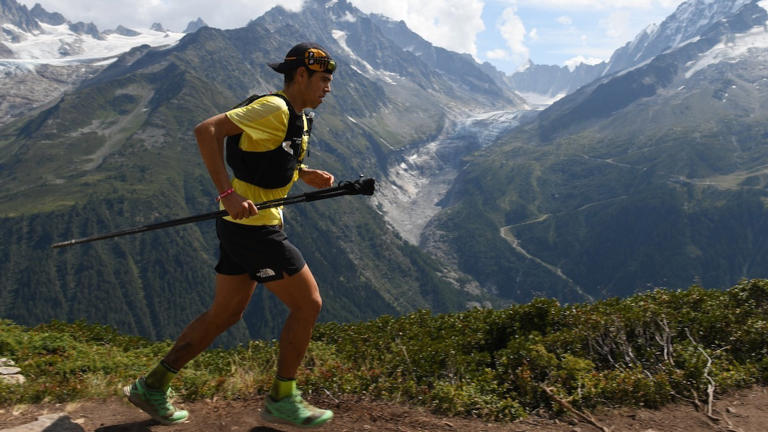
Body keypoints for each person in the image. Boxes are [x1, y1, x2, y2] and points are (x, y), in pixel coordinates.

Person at [124, 42, 337, 428]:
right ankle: (282, 398)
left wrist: (304, 174)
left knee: (225, 314)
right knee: (308, 304)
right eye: (323, 79)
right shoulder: (273, 108)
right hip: (254, 230)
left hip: (244, 227)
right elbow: (207, 130)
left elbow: (270, 156)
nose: (328, 88)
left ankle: (151, 386)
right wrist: (227, 192)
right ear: (301, 75)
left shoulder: (299, 118)